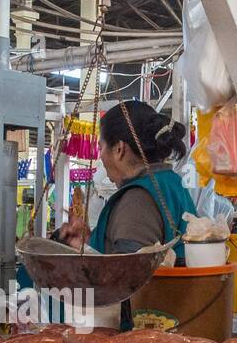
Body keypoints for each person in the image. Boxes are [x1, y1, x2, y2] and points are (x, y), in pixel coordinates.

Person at [53, 100, 193, 262]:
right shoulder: (173, 183)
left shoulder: (137, 200)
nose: (101, 157)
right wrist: (90, 243)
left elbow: (126, 277)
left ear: (119, 149)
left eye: (101, 147)